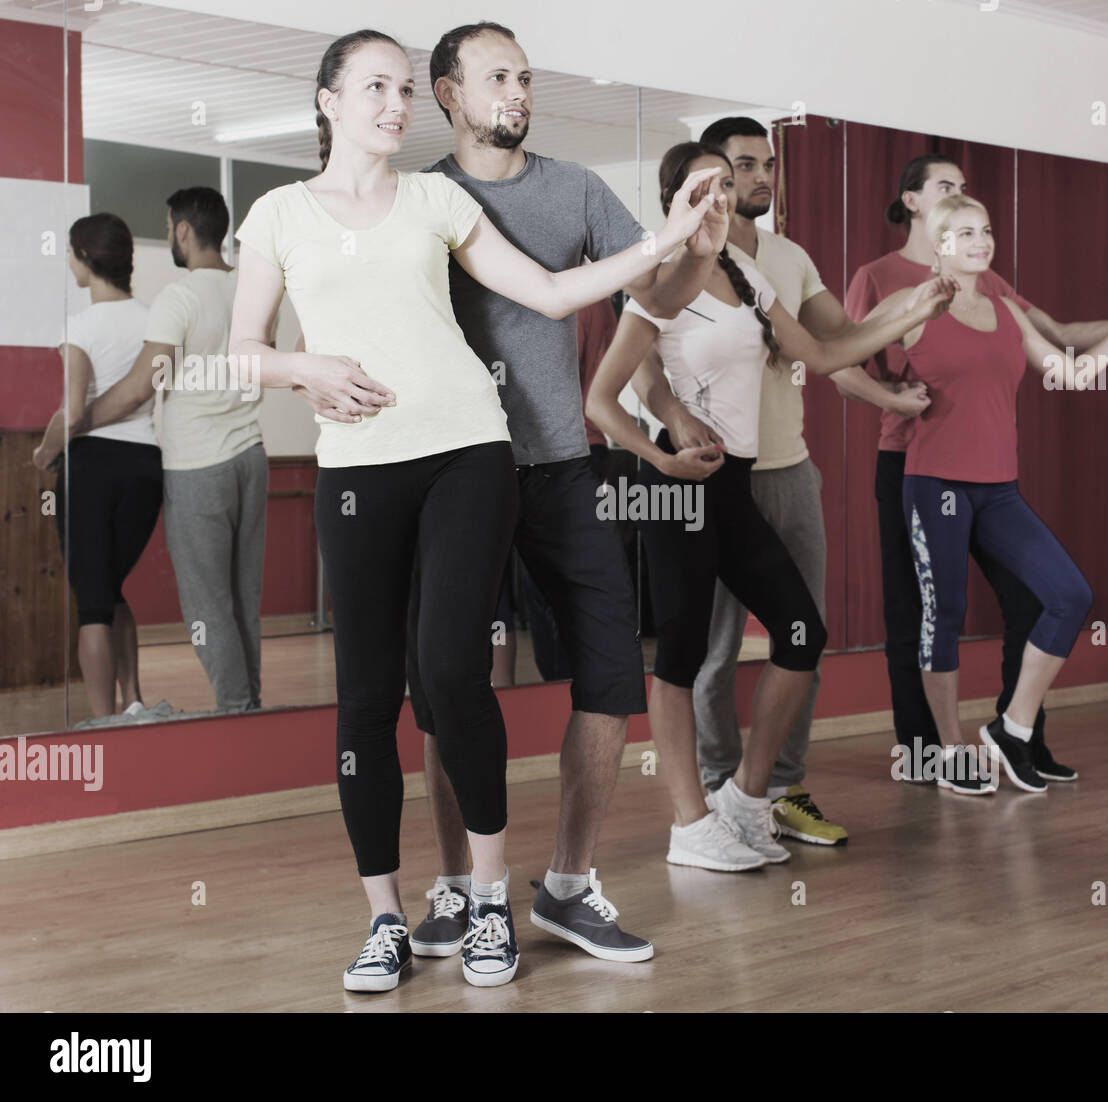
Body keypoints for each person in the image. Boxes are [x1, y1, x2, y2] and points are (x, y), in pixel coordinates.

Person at [226, 29, 720, 990]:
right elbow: (244, 348)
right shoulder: (279, 212)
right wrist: (300, 367)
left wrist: (665, 237)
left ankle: (494, 899)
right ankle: (392, 916)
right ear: (327, 99)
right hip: (361, 466)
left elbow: (548, 291)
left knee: (455, 673)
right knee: (373, 697)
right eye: (374, 87)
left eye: (402, 90)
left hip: (472, 450)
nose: (391, 104)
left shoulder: (436, 198)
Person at [404, 22, 728, 967]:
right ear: (449, 94)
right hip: (451, 469)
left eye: (526, 77)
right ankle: (465, 890)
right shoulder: (421, 198)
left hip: (558, 468)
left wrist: (698, 249)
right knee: (449, 690)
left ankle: (567, 886)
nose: (518, 91)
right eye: (496, 76)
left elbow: (654, 294)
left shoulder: (576, 189)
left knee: (611, 674)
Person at [587, 141, 956, 868]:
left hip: (737, 486)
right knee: (683, 656)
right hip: (678, 491)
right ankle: (690, 826)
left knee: (800, 634)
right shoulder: (657, 283)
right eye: (706, 188)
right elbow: (601, 400)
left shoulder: (746, 274)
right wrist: (661, 456)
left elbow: (820, 356)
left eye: (729, 185)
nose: (723, 198)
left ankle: (747, 800)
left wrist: (914, 308)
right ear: (676, 202)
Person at [847, 154, 1108, 789]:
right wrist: (893, 399)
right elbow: (839, 362)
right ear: (939, 247)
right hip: (934, 483)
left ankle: (1014, 727)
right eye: (965, 233)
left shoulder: (1004, 308)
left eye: (987, 231)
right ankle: (947, 751)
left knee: (1068, 595)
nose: (981, 242)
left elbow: (1072, 371)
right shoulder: (910, 301)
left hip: (998, 488)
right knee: (939, 614)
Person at [72, 187, 268, 714]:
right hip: (252, 454)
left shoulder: (178, 298)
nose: (168, 237)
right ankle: (248, 708)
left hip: (197, 465)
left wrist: (79, 422)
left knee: (207, 605)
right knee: (243, 600)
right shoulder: (251, 287)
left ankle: (236, 709)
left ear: (183, 230)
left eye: (167, 228)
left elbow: (141, 385)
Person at [32, 214, 163, 725]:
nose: (69, 262)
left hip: (91, 466)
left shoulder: (80, 326)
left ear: (85, 259)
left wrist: (44, 455)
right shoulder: (154, 317)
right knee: (109, 586)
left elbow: (72, 412)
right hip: (147, 465)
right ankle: (132, 704)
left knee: (92, 603)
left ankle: (102, 722)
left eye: (70, 253)